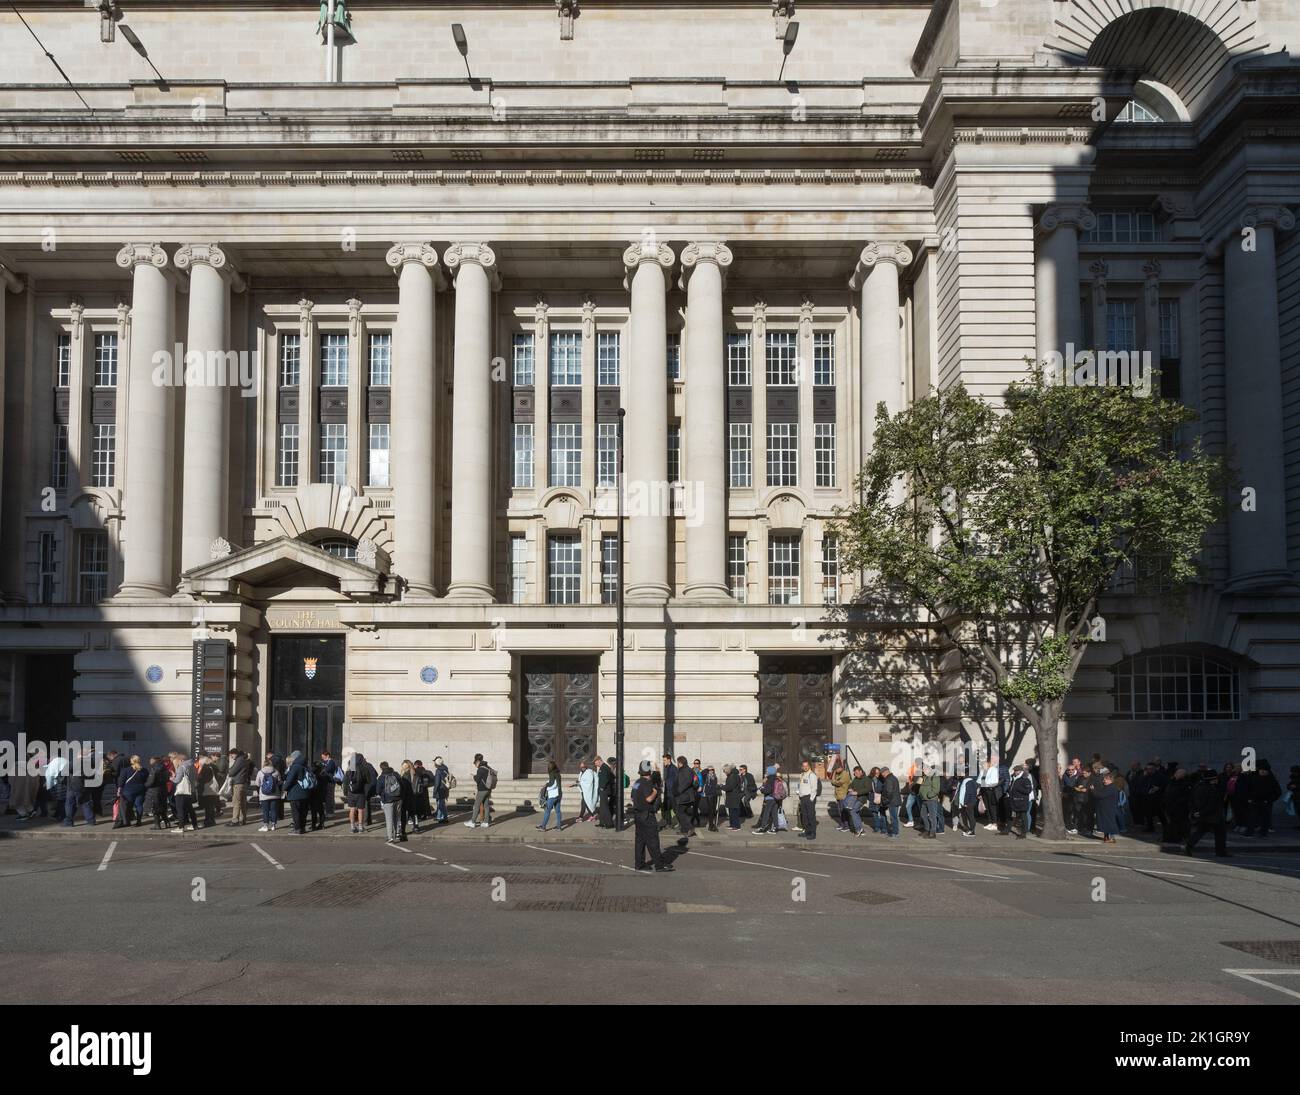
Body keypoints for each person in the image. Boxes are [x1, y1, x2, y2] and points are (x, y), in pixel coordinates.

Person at [631, 761, 672, 872]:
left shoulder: (637, 783)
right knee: (653, 841)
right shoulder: (647, 783)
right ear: (649, 771)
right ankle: (659, 865)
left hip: (638, 815)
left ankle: (639, 864)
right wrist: (655, 792)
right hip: (647, 816)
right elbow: (649, 799)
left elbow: (632, 798)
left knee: (640, 841)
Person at [1185, 769, 1229, 857]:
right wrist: (1201, 812)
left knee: (1200, 832)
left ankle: (1189, 846)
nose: (1217, 780)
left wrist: (1195, 812)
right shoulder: (1212, 789)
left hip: (1202, 814)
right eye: (1215, 779)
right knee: (1220, 833)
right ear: (1211, 779)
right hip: (1213, 816)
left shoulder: (1198, 786)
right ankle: (1220, 852)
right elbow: (1212, 804)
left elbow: (1191, 800)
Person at [1246, 760, 1282, 837]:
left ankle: (1263, 833)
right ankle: (1249, 832)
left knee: (1265, 818)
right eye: (1261, 770)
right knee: (1252, 817)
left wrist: (1269, 800)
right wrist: (1249, 798)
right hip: (1254, 801)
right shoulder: (1253, 777)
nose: (1262, 772)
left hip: (1266, 802)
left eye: (1264, 771)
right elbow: (1247, 788)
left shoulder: (1271, 780)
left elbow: (1278, 792)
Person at [283, 750, 312, 835]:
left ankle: (297, 829)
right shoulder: (306, 766)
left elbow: (289, 780)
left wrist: (285, 788)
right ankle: (302, 828)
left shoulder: (295, 767)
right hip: (306, 792)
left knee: (296, 812)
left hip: (295, 793)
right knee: (303, 812)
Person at [344, 752, 374, 834]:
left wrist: (345, 792)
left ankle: (352, 827)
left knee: (352, 809)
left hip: (351, 792)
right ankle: (361, 827)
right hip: (360, 792)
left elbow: (345, 782)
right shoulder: (363, 768)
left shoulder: (349, 769)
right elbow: (369, 780)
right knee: (361, 810)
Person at [377, 761, 405, 844]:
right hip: (398, 799)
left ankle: (390, 837)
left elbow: (378, 790)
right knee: (397, 817)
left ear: (381, 768)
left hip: (387, 800)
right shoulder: (396, 775)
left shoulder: (381, 777)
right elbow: (402, 786)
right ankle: (398, 834)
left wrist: (382, 796)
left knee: (389, 819)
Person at [1162, 768, 1191, 845]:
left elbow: (1185, 797)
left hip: (1179, 808)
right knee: (1171, 823)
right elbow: (1167, 792)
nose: (1176, 774)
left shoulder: (1185, 784)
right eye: (1177, 773)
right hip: (1170, 806)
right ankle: (1172, 837)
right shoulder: (1171, 782)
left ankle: (1180, 837)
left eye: (1179, 773)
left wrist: (1176, 803)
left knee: (1181, 823)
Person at [1090, 769, 1120, 844]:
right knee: (1105, 823)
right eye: (1103, 779)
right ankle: (1106, 837)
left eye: (1105, 780)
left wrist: (1093, 790)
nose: (1104, 781)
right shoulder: (1108, 787)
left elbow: (1101, 795)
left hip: (1108, 809)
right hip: (1104, 808)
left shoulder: (1111, 788)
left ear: (1110, 780)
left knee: (1109, 823)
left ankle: (1112, 838)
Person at [117, 756, 147, 827]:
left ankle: (127, 821)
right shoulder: (144, 770)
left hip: (128, 791)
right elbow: (146, 780)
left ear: (131, 761)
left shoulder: (126, 770)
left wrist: (119, 788)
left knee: (128, 806)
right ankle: (139, 821)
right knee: (139, 805)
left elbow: (121, 781)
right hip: (140, 790)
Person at [256, 754, 282, 833]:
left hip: (264, 795)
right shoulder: (276, 771)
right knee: (274, 810)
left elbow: (257, 783)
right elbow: (280, 782)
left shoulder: (260, 772)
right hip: (275, 794)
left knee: (265, 810)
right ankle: (273, 825)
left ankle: (265, 826)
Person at [1007, 764, 1034, 839]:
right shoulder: (1014, 778)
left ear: (1021, 771)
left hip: (1021, 802)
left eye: (1016, 771)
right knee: (1011, 816)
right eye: (1014, 770)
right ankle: (1007, 830)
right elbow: (1011, 788)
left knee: (1023, 817)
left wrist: (1018, 789)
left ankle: (1023, 834)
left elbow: (1028, 790)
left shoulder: (1025, 779)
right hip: (1014, 801)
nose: (1015, 772)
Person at [142, 757, 169, 829]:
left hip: (154, 791)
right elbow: (167, 779)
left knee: (155, 808)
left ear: (154, 761)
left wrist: (145, 785)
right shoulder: (165, 768)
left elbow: (151, 781)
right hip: (163, 789)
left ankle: (157, 825)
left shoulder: (154, 769)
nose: (149, 761)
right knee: (162, 807)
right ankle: (167, 823)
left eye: (151, 760)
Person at [673, 756, 697, 837]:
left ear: (680, 762)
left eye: (678, 762)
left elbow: (687, 782)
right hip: (683, 796)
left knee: (680, 813)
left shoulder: (686, 770)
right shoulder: (683, 769)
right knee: (680, 812)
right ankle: (684, 829)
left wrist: (679, 790)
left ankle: (690, 828)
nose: (677, 764)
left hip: (685, 796)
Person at [468, 754, 493, 829]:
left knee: (476, 805)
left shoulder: (480, 769)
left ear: (478, 761)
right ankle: (486, 822)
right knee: (486, 805)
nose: (475, 764)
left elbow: (477, 780)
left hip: (482, 790)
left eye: (475, 763)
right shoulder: (487, 767)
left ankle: (472, 822)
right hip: (488, 789)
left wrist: (473, 776)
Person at [227, 749, 251, 827]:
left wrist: (230, 769)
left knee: (236, 802)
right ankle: (242, 819)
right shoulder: (244, 759)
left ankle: (235, 820)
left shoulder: (239, 760)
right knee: (243, 802)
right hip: (243, 783)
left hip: (238, 783)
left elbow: (231, 772)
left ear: (235, 754)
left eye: (231, 755)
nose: (231, 757)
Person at [537, 761, 563, 831]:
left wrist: (545, 786)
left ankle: (543, 827)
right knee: (558, 811)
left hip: (553, 795)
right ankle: (558, 827)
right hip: (559, 794)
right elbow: (556, 783)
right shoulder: (558, 773)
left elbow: (552, 784)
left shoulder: (552, 773)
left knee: (547, 811)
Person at [917, 764, 942, 838]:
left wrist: (929, 795)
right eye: (922, 770)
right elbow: (920, 786)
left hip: (931, 800)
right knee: (923, 815)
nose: (922, 771)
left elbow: (936, 789)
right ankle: (927, 830)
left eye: (924, 769)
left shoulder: (934, 776)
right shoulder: (924, 777)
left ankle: (932, 832)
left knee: (932, 816)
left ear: (928, 769)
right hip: (924, 799)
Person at [797, 759, 819, 840]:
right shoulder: (802, 774)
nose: (805, 767)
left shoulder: (812, 775)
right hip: (802, 798)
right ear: (802, 767)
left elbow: (814, 788)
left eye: (807, 766)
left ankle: (813, 833)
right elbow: (801, 786)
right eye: (804, 766)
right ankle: (807, 831)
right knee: (805, 816)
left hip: (809, 798)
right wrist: (799, 794)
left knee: (811, 816)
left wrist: (811, 799)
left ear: (809, 766)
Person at [843, 766, 870, 835]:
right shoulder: (855, 779)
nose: (856, 774)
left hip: (861, 799)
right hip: (854, 798)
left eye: (857, 773)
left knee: (853, 811)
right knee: (856, 812)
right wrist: (850, 788)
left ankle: (858, 829)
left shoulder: (866, 779)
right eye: (855, 773)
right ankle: (861, 830)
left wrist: (857, 792)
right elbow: (850, 785)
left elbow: (868, 789)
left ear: (861, 771)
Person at [197, 754, 221, 828]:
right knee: (211, 806)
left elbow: (204, 779)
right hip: (214, 789)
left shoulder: (206, 768)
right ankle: (212, 820)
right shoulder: (214, 767)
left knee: (208, 806)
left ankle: (208, 821)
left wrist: (199, 780)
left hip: (208, 789)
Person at [756, 765, 780, 834]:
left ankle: (763, 828)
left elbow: (767, 790)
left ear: (770, 772)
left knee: (766, 813)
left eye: (767, 771)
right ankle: (775, 828)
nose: (766, 772)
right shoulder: (776, 778)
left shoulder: (769, 779)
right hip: (776, 798)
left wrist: (762, 789)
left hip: (770, 798)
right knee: (774, 813)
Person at [953, 771, 978, 836]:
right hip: (967, 802)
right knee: (969, 816)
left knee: (970, 817)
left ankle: (972, 831)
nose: (960, 774)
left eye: (962, 773)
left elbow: (969, 793)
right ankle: (970, 830)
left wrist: (966, 802)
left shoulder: (969, 781)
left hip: (969, 802)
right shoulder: (965, 780)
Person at [878, 765, 901, 838]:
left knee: (893, 818)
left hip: (892, 802)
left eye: (882, 773)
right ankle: (895, 832)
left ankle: (895, 833)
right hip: (895, 801)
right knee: (894, 817)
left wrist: (884, 801)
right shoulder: (893, 778)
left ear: (885, 772)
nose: (882, 775)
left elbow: (889, 792)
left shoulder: (889, 779)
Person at [830, 759, 852, 831]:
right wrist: (834, 773)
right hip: (838, 795)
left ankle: (847, 826)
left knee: (844, 811)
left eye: (836, 769)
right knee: (840, 811)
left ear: (840, 768)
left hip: (843, 795)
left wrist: (834, 781)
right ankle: (842, 824)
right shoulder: (837, 774)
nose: (835, 771)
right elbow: (832, 782)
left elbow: (839, 783)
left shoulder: (845, 774)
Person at [399, 760, 420, 835]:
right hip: (414, 796)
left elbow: (404, 787)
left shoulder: (405, 775)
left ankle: (402, 829)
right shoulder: (414, 773)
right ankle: (416, 826)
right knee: (414, 813)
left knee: (403, 814)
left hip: (406, 796)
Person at [594, 755, 615, 828]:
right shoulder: (603, 767)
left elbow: (605, 779)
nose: (595, 765)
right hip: (603, 790)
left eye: (596, 763)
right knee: (602, 807)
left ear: (599, 760)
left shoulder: (604, 768)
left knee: (605, 807)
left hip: (604, 790)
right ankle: (602, 822)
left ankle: (610, 824)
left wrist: (602, 787)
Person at [308, 756, 328, 831]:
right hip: (321, 794)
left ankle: (313, 825)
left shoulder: (314, 774)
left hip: (314, 794)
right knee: (320, 810)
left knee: (314, 811)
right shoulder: (324, 775)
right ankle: (321, 824)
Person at [722, 763, 743, 832]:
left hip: (734, 796)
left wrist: (721, 786)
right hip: (731, 796)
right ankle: (732, 825)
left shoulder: (733, 776)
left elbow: (730, 787)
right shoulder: (732, 776)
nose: (724, 772)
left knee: (734, 812)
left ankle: (736, 826)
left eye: (724, 771)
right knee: (731, 811)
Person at [432, 756, 452, 823]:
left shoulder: (438, 771)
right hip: (445, 789)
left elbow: (437, 782)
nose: (434, 764)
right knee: (442, 803)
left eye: (434, 762)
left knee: (440, 804)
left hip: (440, 789)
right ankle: (440, 817)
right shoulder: (445, 769)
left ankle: (444, 818)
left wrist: (434, 791)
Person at [660, 754, 677, 830]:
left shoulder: (674, 768)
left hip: (672, 793)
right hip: (667, 793)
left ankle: (682, 823)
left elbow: (676, 780)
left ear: (669, 760)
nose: (663, 762)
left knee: (675, 809)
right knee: (666, 809)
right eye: (663, 760)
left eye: (664, 760)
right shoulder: (667, 768)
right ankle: (669, 823)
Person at [320, 750, 340, 817]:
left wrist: (322, 768)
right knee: (328, 797)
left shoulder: (331, 762)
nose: (323, 759)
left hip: (330, 782)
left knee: (329, 797)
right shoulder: (326, 762)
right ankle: (328, 811)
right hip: (326, 782)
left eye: (324, 757)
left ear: (327, 756)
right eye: (322, 758)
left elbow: (327, 770)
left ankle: (330, 812)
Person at [701, 765, 720, 831]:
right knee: (711, 810)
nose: (711, 771)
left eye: (712, 770)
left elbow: (715, 785)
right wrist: (707, 769)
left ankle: (712, 824)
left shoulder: (715, 776)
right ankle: (711, 825)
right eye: (710, 770)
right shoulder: (706, 776)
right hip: (709, 795)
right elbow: (702, 773)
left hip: (715, 794)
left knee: (714, 810)